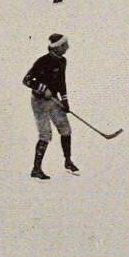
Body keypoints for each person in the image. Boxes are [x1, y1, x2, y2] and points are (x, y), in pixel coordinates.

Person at [21, 33, 78, 179]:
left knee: (66, 130)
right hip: (39, 102)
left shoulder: (62, 61)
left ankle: (68, 161)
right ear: (58, 47)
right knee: (45, 134)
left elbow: (61, 82)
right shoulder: (43, 61)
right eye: (65, 45)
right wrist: (42, 89)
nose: (68, 47)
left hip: (55, 101)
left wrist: (65, 101)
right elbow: (27, 80)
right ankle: (36, 169)